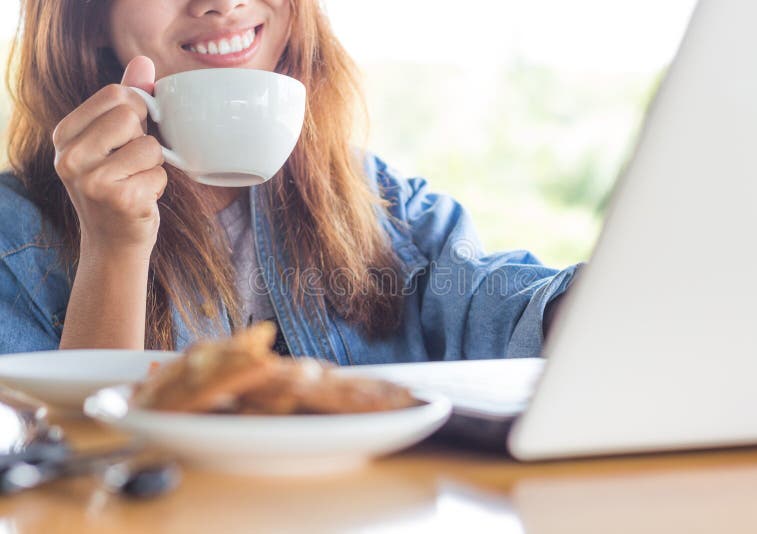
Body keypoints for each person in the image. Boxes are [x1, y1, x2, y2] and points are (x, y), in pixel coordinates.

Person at [0, 0, 581, 363]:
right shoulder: (13, 237)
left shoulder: (388, 205)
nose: (222, 4)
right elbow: (63, 469)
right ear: (90, 16)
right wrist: (114, 249)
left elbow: (498, 306)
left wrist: (609, 299)